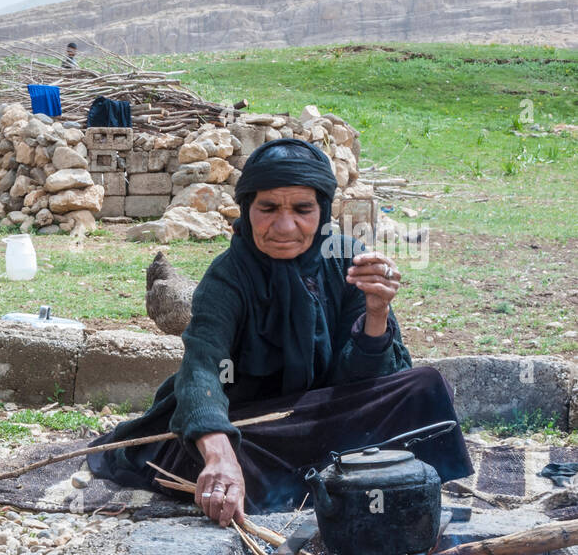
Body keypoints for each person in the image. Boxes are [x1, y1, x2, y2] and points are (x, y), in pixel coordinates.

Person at [87, 137, 473, 526]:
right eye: (268, 208)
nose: (285, 226)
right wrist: (220, 456)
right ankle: (342, 475)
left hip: (320, 415)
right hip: (249, 426)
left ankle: (325, 474)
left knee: (424, 388)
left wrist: (377, 313)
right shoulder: (229, 276)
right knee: (208, 456)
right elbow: (202, 369)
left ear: (321, 211)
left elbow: (368, 382)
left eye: (303, 209)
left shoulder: (344, 258)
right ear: (247, 210)